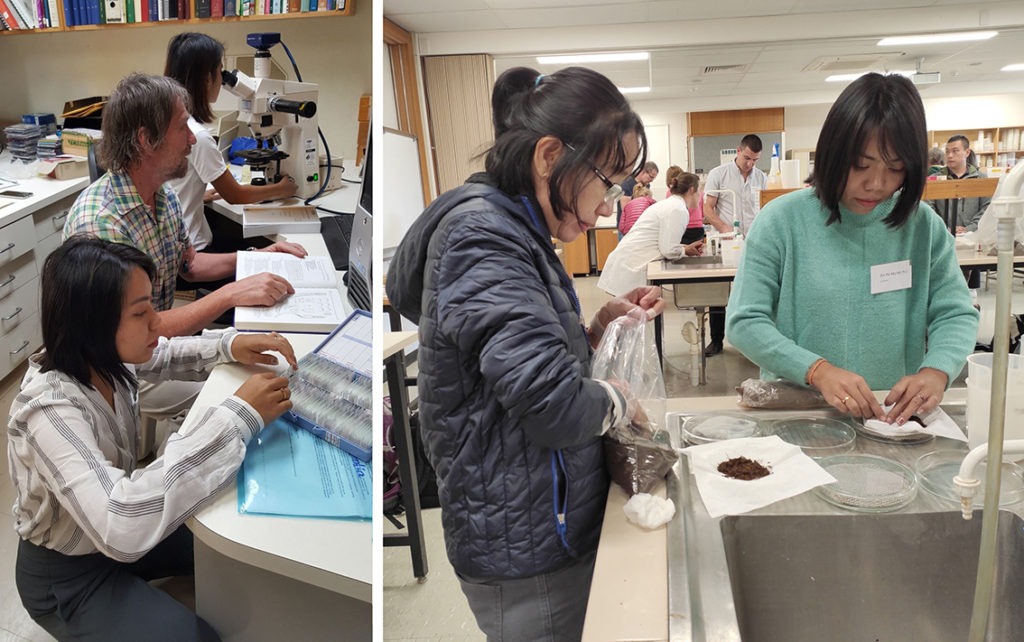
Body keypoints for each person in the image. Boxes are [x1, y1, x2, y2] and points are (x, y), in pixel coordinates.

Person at [386, 66, 665, 641]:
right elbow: (553, 405)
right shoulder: (483, 237)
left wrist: (592, 332)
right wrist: (616, 398)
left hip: (533, 516)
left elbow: (511, 366)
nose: (608, 207)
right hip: (525, 538)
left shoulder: (515, 226)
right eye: (606, 181)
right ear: (547, 156)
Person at [8, 235, 298, 641]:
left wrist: (230, 343)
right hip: (66, 573)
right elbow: (120, 524)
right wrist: (238, 417)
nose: (158, 323)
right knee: (189, 635)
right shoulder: (48, 410)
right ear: (95, 323)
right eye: (142, 313)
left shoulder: (102, 357)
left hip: (107, 540)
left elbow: (167, 353)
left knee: (229, 548)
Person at [62, 73, 305, 447]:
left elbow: (189, 265)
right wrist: (228, 295)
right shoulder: (102, 227)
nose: (193, 139)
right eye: (182, 128)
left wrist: (257, 257)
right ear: (146, 140)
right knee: (256, 387)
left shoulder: (162, 197)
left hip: (154, 345)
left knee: (262, 368)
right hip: (121, 367)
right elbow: (132, 335)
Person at [726, 73, 979, 425]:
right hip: (799, 411)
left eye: (895, 168)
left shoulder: (923, 227)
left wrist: (937, 370)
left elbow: (955, 313)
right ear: (832, 153)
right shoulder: (782, 221)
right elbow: (744, 322)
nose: (876, 184)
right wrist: (817, 371)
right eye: (860, 165)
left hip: (889, 418)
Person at [164, 32, 297, 255]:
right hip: (194, 253)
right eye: (220, 71)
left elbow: (171, 186)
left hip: (172, 245)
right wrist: (282, 189)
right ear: (207, 78)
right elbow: (235, 195)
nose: (222, 79)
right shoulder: (197, 137)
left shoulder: (166, 123)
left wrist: (194, 195)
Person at [702, 134, 767, 357]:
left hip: (752, 242)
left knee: (752, 292)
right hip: (727, 242)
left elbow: (764, 209)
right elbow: (708, 209)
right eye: (747, 157)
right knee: (719, 291)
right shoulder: (718, 174)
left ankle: (750, 342)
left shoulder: (761, 177)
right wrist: (725, 229)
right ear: (738, 151)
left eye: (755, 160)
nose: (750, 164)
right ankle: (717, 340)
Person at [600, 170, 706, 296]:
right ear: (691, 190)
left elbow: (662, 241)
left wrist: (685, 248)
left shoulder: (670, 204)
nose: (700, 195)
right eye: (699, 191)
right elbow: (668, 250)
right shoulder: (678, 209)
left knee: (633, 313)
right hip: (630, 267)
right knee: (631, 313)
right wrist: (684, 250)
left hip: (626, 262)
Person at [617, 160, 658, 236]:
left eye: (653, 178)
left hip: (641, 228)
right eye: (651, 177)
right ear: (643, 172)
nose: (651, 180)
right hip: (627, 230)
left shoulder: (647, 185)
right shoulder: (627, 184)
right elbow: (625, 209)